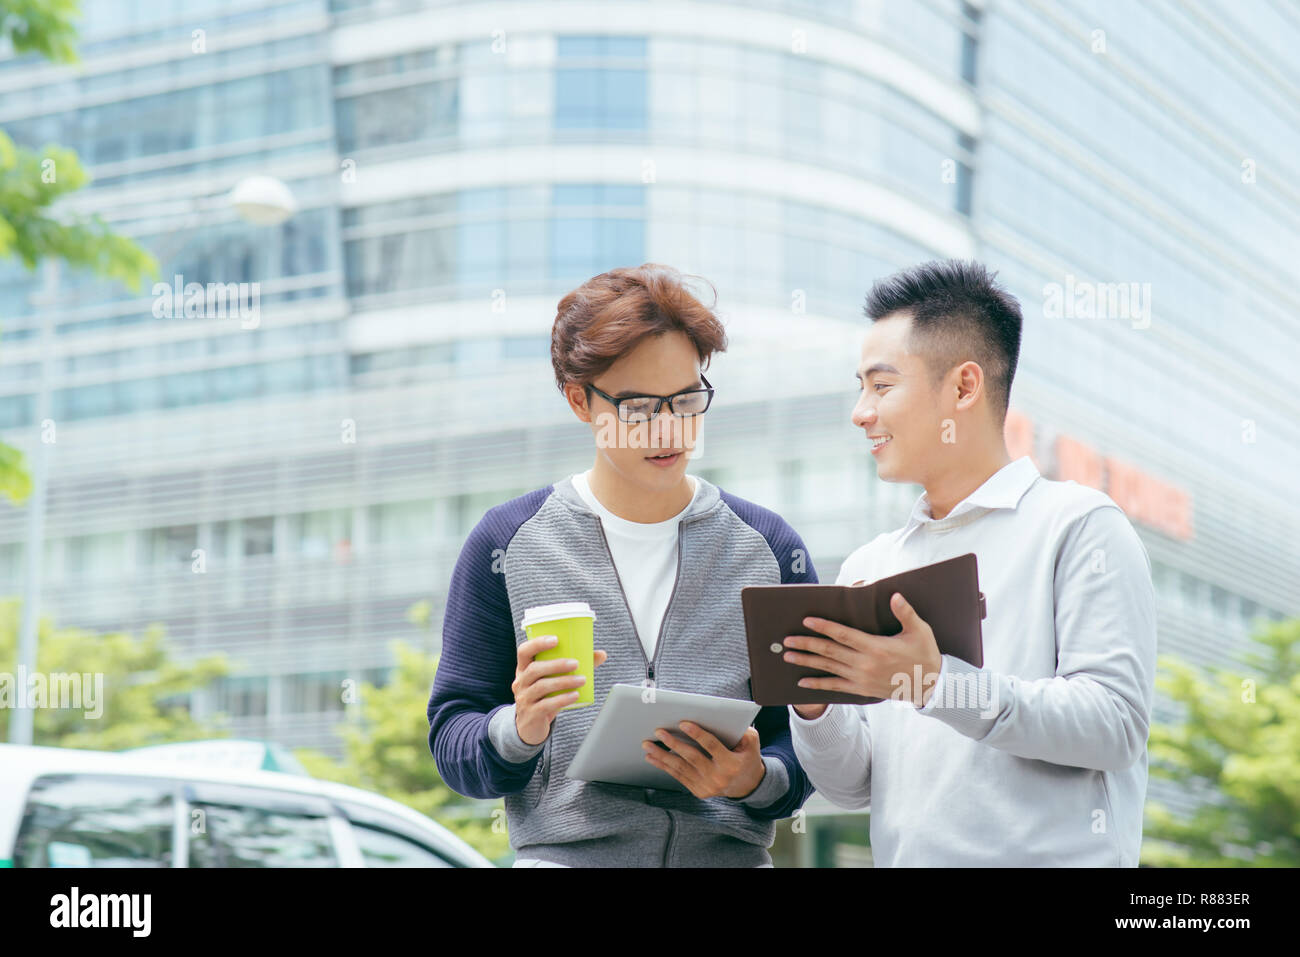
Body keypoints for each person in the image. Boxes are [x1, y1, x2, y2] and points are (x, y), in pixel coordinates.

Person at [426, 263, 817, 867]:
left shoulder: (767, 548)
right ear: (580, 400)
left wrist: (751, 778)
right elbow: (455, 742)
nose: (669, 428)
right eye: (638, 405)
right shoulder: (507, 543)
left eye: (687, 400)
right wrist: (521, 728)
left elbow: (809, 745)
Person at [785, 259, 1156, 866]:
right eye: (861, 387)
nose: (860, 412)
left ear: (963, 386)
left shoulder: (1079, 526)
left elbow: (1113, 726)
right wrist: (814, 702)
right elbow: (850, 787)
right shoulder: (870, 564)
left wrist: (936, 684)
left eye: (881, 386)